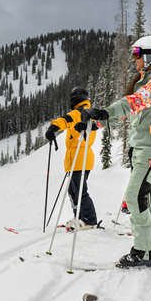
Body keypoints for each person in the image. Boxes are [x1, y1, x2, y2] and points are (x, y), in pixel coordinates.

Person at [85, 35, 151, 267]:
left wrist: (104, 112)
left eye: (137, 55)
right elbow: (136, 110)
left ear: (150, 56)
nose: (134, 60)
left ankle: (143, 252)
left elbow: (137, 101)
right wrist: (96, 122)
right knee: (146, 197)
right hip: (148, 148)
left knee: (135, 197)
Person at [45, 86, 100, 230]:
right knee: (73, 191)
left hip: (79, 157)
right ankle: (79, 218)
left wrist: (53, 128)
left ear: (75, 100)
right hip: (78, 157)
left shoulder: (80, 112)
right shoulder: (88, 112)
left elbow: (66, 120)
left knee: (80, 191)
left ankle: (90, 220)